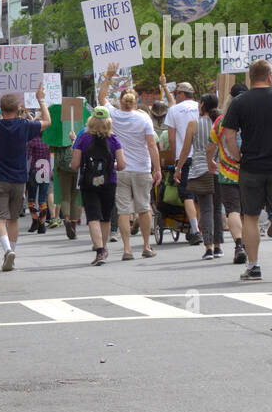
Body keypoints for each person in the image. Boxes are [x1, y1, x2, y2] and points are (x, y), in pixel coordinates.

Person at [221, 60, 272, 282]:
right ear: (269, 76)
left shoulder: (240, 102)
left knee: (251, 217)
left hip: (252, 166)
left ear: (250, 77)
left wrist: (237, 156)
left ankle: (254, 266)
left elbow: (228, 134)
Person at [0, 84, 51, 271]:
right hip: (19, 179)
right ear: (18, 108)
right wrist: (41, 99)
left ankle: (7, 251)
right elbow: (47, 121)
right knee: (13, 219)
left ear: (1, 108)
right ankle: (12, 251)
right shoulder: (25, 126)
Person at [97, 65, 161, 259]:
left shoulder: (114, 116)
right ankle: (146, 246)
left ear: (121, 102)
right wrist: (157, 168)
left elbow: (101, 99)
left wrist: (108, 76)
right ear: (136, 102)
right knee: (143, 208)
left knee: (123, 211)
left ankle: (127, 249)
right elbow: (152, 146)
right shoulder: (144, 119)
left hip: (120, 168)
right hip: (141, 168)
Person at [72, 106, 126, 265]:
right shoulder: (114, 139)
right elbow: (122, 164)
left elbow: (74, 164)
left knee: (93, 216)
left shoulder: (83, 138)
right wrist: (110, 167)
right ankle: (104, 247)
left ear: (92, 120)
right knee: (105, 217)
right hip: (109, 181)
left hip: (89, 182)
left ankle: (100, 250)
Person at [180, 93, 224, 259]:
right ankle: (219, 246)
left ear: (203, 105)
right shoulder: (220, 123)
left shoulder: (194, 124)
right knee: (218, 208)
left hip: (200, 168)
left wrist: (178, 168)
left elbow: (185, 150)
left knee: (206, 209)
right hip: (219, 168)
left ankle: (209, 247)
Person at [209, 83, 249, 263]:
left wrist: (209, 160)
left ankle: (239, 244)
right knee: (248, 213)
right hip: (250, 171)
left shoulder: (220, 121)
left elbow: (210, 146)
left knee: (232, 210)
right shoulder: (253, 118)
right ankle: (248, 244)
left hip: (227, 172)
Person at [162, 82, 203, 244]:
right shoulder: (201, 107)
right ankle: (200, 227)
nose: (175, 95)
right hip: (201, 156)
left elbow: (171, 137)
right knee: (200, 195)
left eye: (176, 93)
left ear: (181, 94)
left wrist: (174, 157)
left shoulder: (173, 110)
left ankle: (195, 229)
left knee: (187, 195)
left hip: (183, 157)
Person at [26, 129, 53, 234]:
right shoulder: (49, 142)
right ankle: (42, 224)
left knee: (31, 198)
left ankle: (35, 220)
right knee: (42, 199)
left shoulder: (32, 141)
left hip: (35, 169)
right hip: (46, 169)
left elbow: (27, 156)